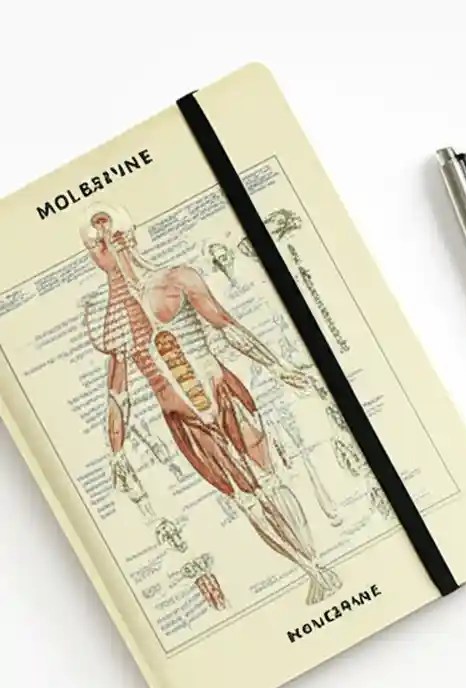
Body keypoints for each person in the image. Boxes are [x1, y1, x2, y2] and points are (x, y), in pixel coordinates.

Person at [81, 203, 340, 605]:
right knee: (247, 497)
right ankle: (312, 570)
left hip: (223, 394)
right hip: (185, 422)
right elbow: (118, 394)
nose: (106, 248)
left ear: (126, 237)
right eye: (98, 244)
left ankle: (318, 564)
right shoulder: (113, 321)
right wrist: (116, 454)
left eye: (108, 239)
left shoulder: (177, 278)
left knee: (268, 480)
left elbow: (226, 326)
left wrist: (278, 367)